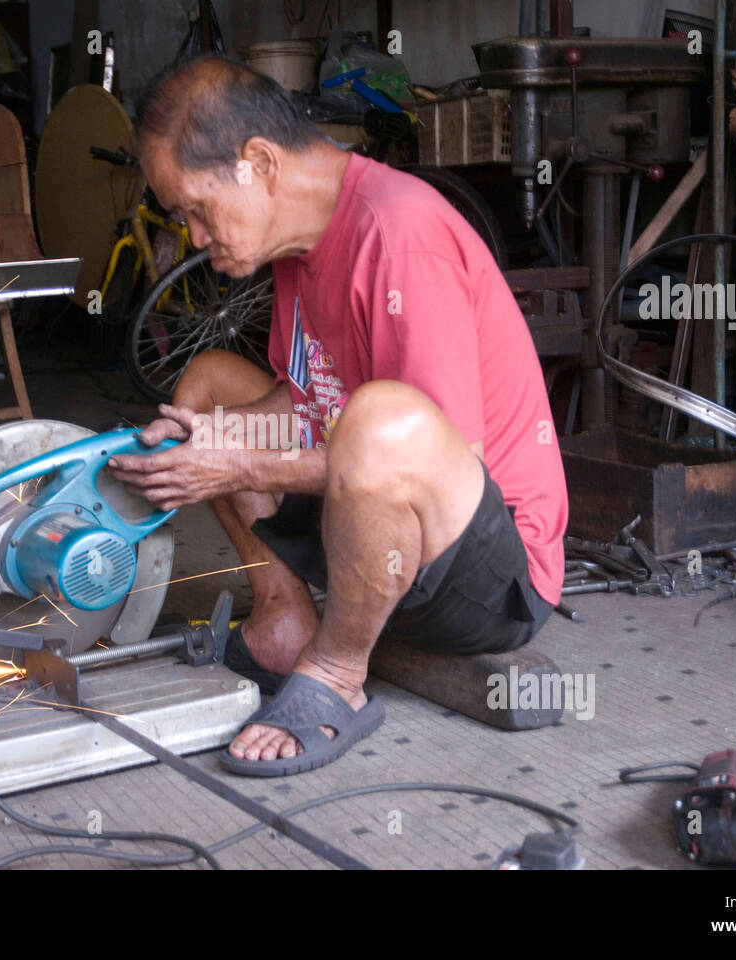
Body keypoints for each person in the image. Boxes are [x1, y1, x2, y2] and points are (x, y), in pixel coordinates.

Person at [107, 56, 568, 777]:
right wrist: (211, 440)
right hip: (377, 527)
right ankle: (285, 618)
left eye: (196, 209)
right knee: (208, 391)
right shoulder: (300, 246)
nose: (194, 237)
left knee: (383, 419)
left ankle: (337, 676)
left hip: (487, 581)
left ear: (258, 163)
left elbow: (425, 449)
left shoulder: (398, 230)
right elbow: (307, 401)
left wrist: (237, 464)